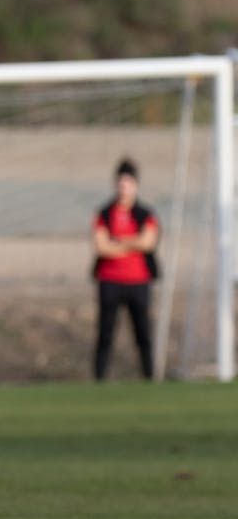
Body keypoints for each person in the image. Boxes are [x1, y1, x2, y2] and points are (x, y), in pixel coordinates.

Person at [92, 157, 159, 380]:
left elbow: (148, 242)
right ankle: (99, 381)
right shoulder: (105, 214)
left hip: (138, 281)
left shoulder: (144, 214)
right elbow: (101, 247)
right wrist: (133, 243)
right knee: (105, 333)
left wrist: (119, 242)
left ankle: (150, 378)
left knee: (143, 333)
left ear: (135, 185)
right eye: (120, 183)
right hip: (109, 280)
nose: (124, 188)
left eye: (128, 183)